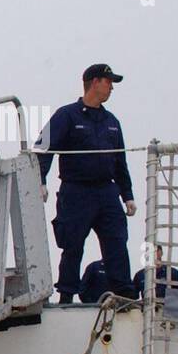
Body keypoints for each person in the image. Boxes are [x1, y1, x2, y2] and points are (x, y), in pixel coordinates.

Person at [37, 64, 135, 304]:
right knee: (73, 245)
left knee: (117, 243)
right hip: (76, 191)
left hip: (106, 191)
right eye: (108, 81)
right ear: (94, 82)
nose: (111, 87)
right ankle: (66, 296)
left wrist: (127, 195)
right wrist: (40, 180)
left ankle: (124, 295)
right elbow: (43, 148)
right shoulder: (67, 115)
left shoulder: (111, 121)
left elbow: (120, 161)